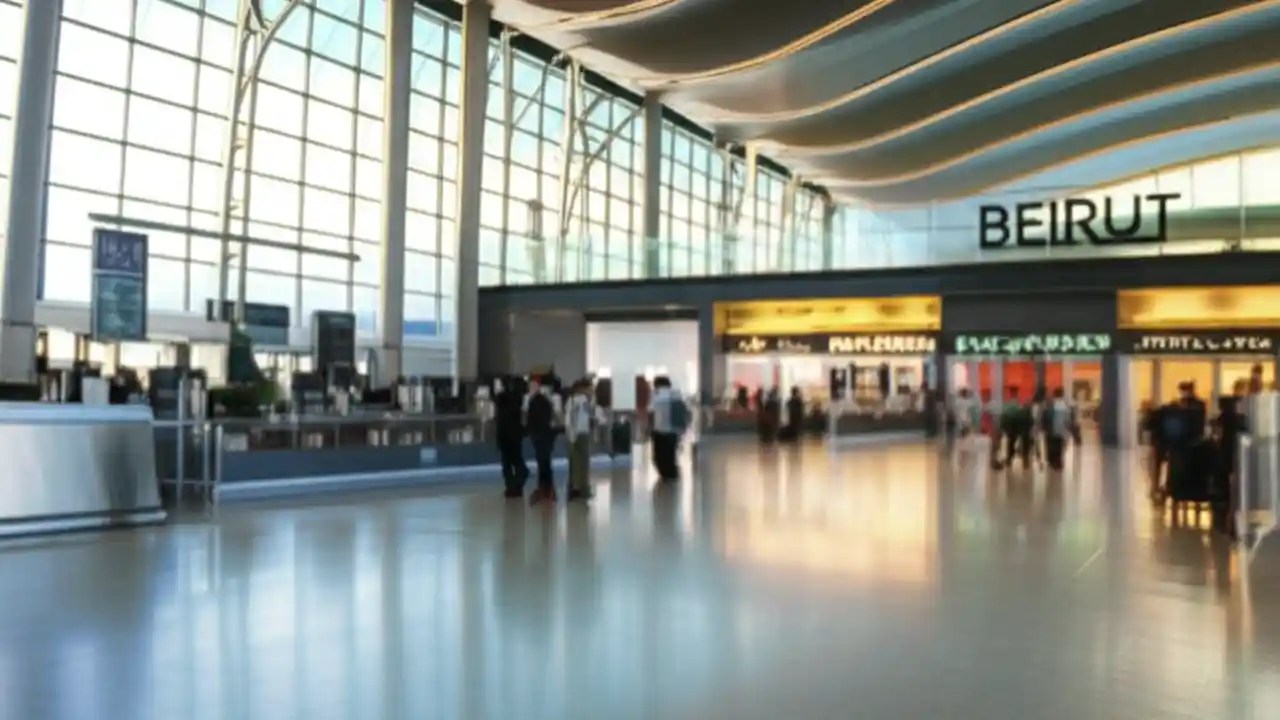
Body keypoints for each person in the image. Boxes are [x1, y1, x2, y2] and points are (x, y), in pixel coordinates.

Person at [525, 376, 559, 504]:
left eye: (532, 387)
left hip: (540, 436)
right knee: (545, 463)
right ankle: (547, 490)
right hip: (546, 436)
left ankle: (545, 490)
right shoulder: (545, 401)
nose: (530, 389)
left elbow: (532, 420)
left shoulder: (535, 402)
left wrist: (528, 431)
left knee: (543, 463)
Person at [494, 376, 529, 498]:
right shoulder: (517, 399)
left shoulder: (501, 399)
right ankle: (516, 486)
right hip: (514, 435)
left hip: (505, 435)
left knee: (507, 463)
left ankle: (511, 486)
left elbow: (500, 419)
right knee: (516, 462)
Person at [565, 379, 595, 502]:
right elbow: (571, 418)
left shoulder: (582, 400)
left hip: (579, 433)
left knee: (578, 462)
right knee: (580, 463)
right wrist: (572, 433)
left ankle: (578, 488)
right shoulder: (576, 401)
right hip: (578, 433)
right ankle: (579, 488)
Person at [650, 376, 684, 481]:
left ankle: (665, 474)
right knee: (670, 454)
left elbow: (651, 413)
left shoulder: (656, 395)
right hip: (673, 430)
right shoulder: (676, 394)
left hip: (659, 430)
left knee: (659, 455)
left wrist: (648, 428)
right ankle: (672, 474)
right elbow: (681, 412)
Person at [1043, 387, 1071, 471]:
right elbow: (1067, 420)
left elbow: (1046, 417)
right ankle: (1058, 463)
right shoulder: (1065, 406)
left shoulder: (1050, 405)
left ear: (1054, 395)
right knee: (1059, 447)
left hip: (1051, 430)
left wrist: (1045, 427)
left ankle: (1052, 462)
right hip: (1061, 430)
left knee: (1052, 446)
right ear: (1062, 395)